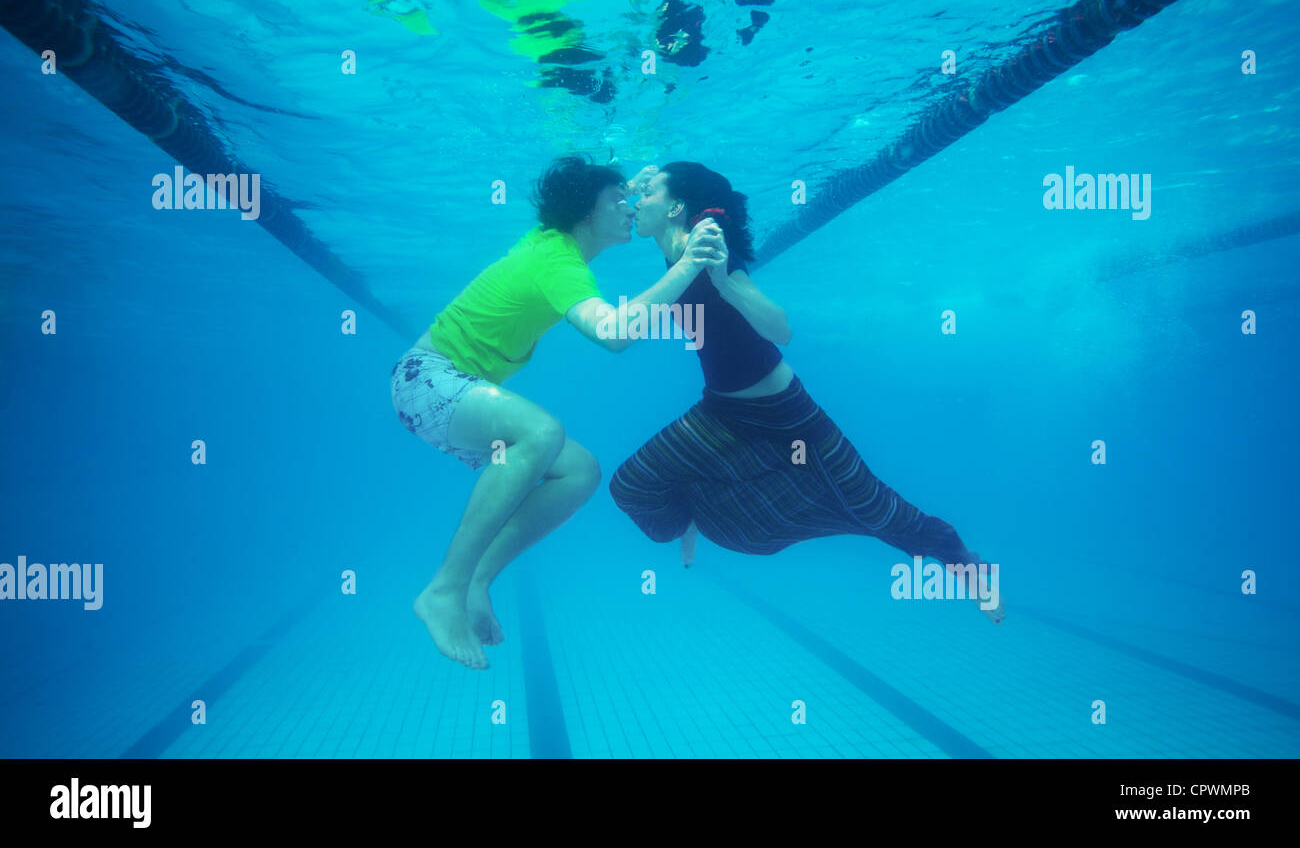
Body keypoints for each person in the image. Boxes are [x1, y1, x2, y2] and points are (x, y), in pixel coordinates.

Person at [611, 162, 1003, 623]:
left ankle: (964, 564)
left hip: (786, 415)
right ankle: (688, 518)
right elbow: (661, 196)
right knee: (634, 485)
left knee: (877, 511)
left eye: (648, 195)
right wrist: (638, 183)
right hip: (721, 411)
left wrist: (723, 282)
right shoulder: (678, 250)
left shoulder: (708, 247)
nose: (637, 203)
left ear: (676, 206)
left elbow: (781, 330)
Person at [392, 156, 725, 670]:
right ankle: (444, 590)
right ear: (586, 212)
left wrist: (616, 183)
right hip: (424, 380)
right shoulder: (558, 260)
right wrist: (688, 265)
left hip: (440, 388)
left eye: (630, 198)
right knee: (541, 432)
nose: (630, 208)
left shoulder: (549, 241)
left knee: (580, 471)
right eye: (618, 201)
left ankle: (477, 580)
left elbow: (573, 197)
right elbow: (614, 333)